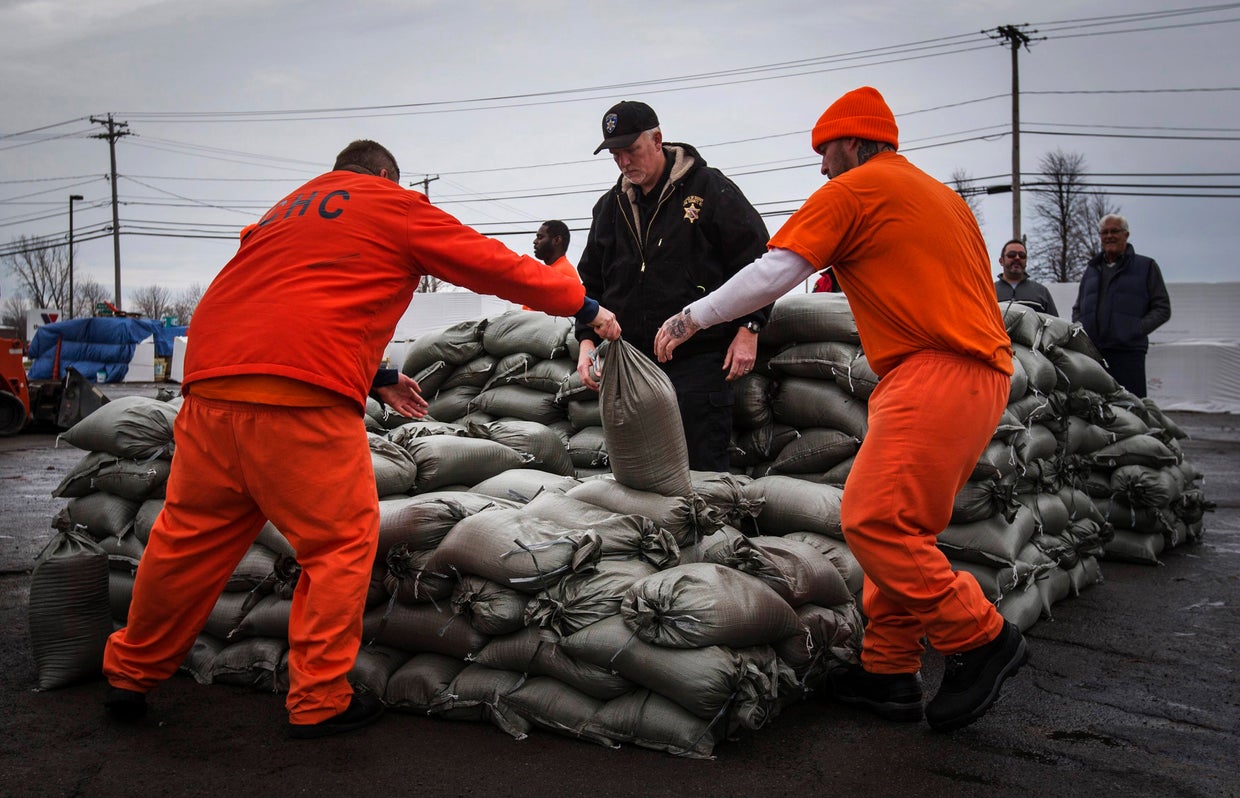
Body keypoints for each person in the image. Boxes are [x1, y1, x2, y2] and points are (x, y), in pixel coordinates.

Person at [102, 140, 620, 739]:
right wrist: (581, 304)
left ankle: (129, 672)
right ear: (383, 177)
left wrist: (376, 376)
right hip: (300, 406)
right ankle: (320, 699)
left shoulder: (283, 210)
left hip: (211, 392)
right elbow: (491, 264)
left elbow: (290, 299)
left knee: (185, 542)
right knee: (341, 542)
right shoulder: (393, 205)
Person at [653, 87, 1028, 732]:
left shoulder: (858, 189)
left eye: (827, 153)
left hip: (933, 372)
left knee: (873, 521)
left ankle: (979, 637)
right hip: (972, 376)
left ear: (855, 144)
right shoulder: (939, 196)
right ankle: (887, 672)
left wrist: (695, 316)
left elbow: (775, 270)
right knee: (904, 530)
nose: (822, 168)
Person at [576, 100, 771, 472]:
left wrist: (751, 327)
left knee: (700, 475)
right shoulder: (609, 208)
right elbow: (591, 282)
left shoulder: (709, 190)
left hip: (697, 361)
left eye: (631, 150)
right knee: (635, 476)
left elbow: (758, 264)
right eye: (615, 154)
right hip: (630, 362)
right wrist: (586, 340)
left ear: (657, 140)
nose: (624, 162)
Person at [1071, 214, 1171, 397]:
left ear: (1126, 234)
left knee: (1131, 409)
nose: (1109, 236)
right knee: (1096, 410)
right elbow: (1078, 308)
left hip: (1128, 354)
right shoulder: (1092, 269)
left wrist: (1134, 330)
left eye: (1114, 231)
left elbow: (1162, 308)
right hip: (1094, 355)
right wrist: (1083, 332)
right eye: (1104, 232)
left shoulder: (1146, 267)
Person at [524, 219, 579, 311]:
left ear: (557, 240)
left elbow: (534, 315)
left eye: (540, 237)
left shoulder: (561, 273)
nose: (535, 241)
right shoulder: (554, 270)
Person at [994, 239, 1058, 315]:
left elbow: (1054, 324)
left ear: (1026, 261)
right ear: (1001, 261)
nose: (1017, 258)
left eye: (1022, 255)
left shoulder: (1041, 291)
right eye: (1011, 254)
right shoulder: (990, 292)